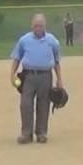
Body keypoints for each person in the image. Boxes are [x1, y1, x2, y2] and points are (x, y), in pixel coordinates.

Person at [9, 13, 64, 145]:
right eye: (36, 25)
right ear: (32, 26)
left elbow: (56, 61)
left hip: (46, 75)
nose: (38, 28)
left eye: (40, 25)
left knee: (44, 104)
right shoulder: (24, 40)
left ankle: (41, 133)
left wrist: (59, 79)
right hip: (28, 75)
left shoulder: (52, 41)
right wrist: (12, 74)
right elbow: (17, 58)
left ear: (45, 26)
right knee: (25, 104)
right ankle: (26, 134)